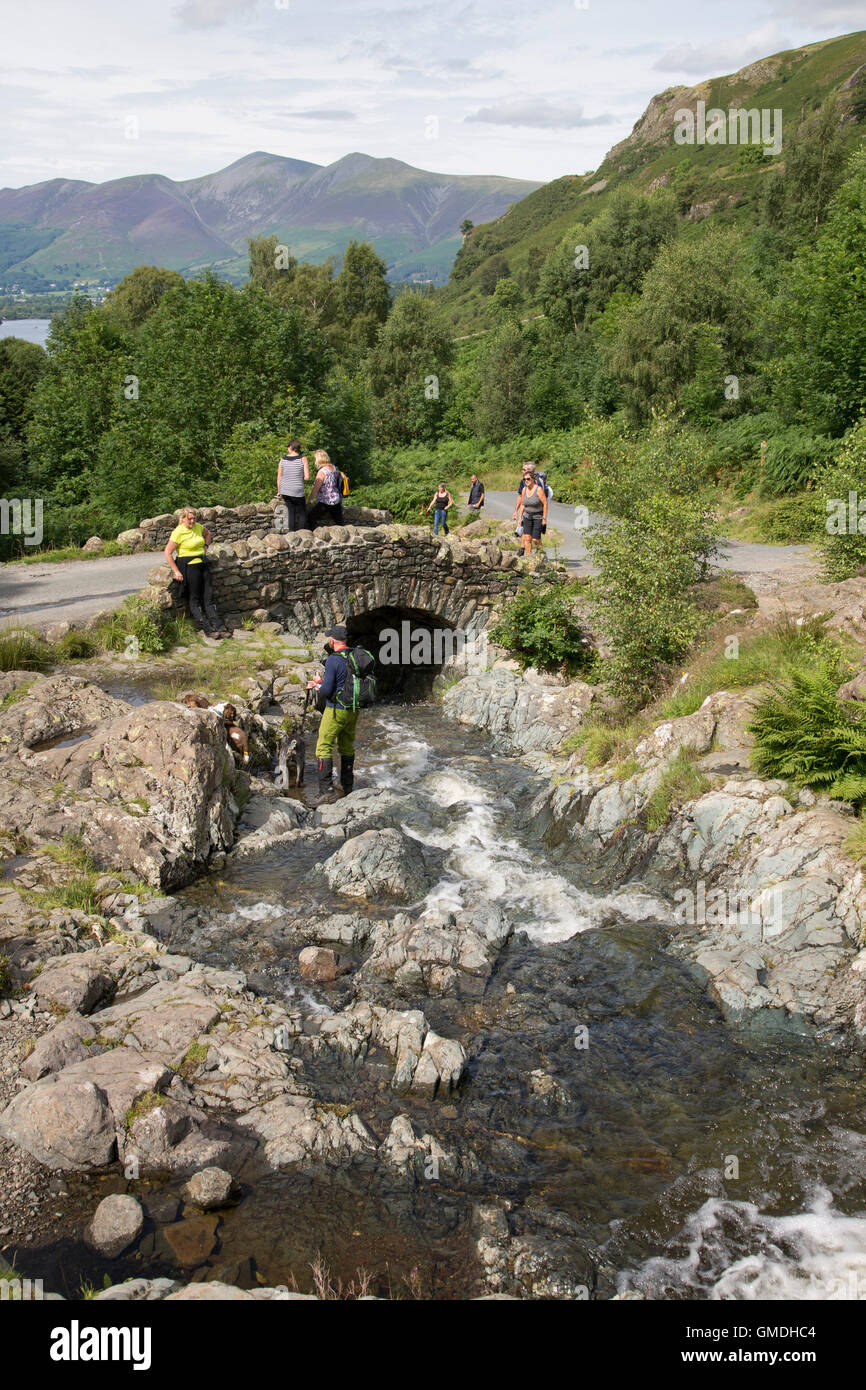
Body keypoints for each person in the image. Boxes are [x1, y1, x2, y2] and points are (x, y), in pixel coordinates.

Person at [307, 624, 359, 792]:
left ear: (332, 640)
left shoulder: (333, 660)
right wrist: (321, 684)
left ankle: (326, 792)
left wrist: (317, 684)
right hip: (353, 708)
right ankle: (347, 785)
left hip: (336, 709)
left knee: (323, 746)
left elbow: (328, 691)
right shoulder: (354, 656)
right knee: (346, 745)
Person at [164, 507, 229, 636]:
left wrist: (205, 547)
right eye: (190, 519)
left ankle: (219, 627)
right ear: (183, 519)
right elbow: (167, 552)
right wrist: (176, 571)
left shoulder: (198, 527)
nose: (192, 521)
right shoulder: (178, 532)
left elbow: (208, 534)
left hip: (202, 564)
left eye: (194, 518)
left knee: (208, 597)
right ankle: (208, 629)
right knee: (194, 599)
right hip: (189, 567)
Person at [513, 464, 548, 557]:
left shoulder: (539, 490)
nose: (526, 481)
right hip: (527, 516)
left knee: (535, 539)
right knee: (527, 538)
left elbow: (545, 504)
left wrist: (544, 518)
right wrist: (519, 518)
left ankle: (541, 553)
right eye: (525, 479)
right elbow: (523, 504)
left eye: (528, 479)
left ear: (533, 479)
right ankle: (529, 559)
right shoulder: (524, 490)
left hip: (538, 516)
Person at [277, 439, 310, 532]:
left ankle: (291, 534)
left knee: (291, 512)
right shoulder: (303, 459)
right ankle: (301, 534)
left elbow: (279, 477)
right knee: (302, 513)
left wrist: (279, 491)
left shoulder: (282, 459)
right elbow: (307, 477)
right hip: (297, 489)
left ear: (291, 447)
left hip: (285, 489)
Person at [307, 449, 344, 529]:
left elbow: (315, 489)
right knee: (340, 522)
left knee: (311, 517)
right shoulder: (333, 468)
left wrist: (308, 500)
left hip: (326, 501)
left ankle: (315, 535)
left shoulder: (322, 472)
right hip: (336, 499)